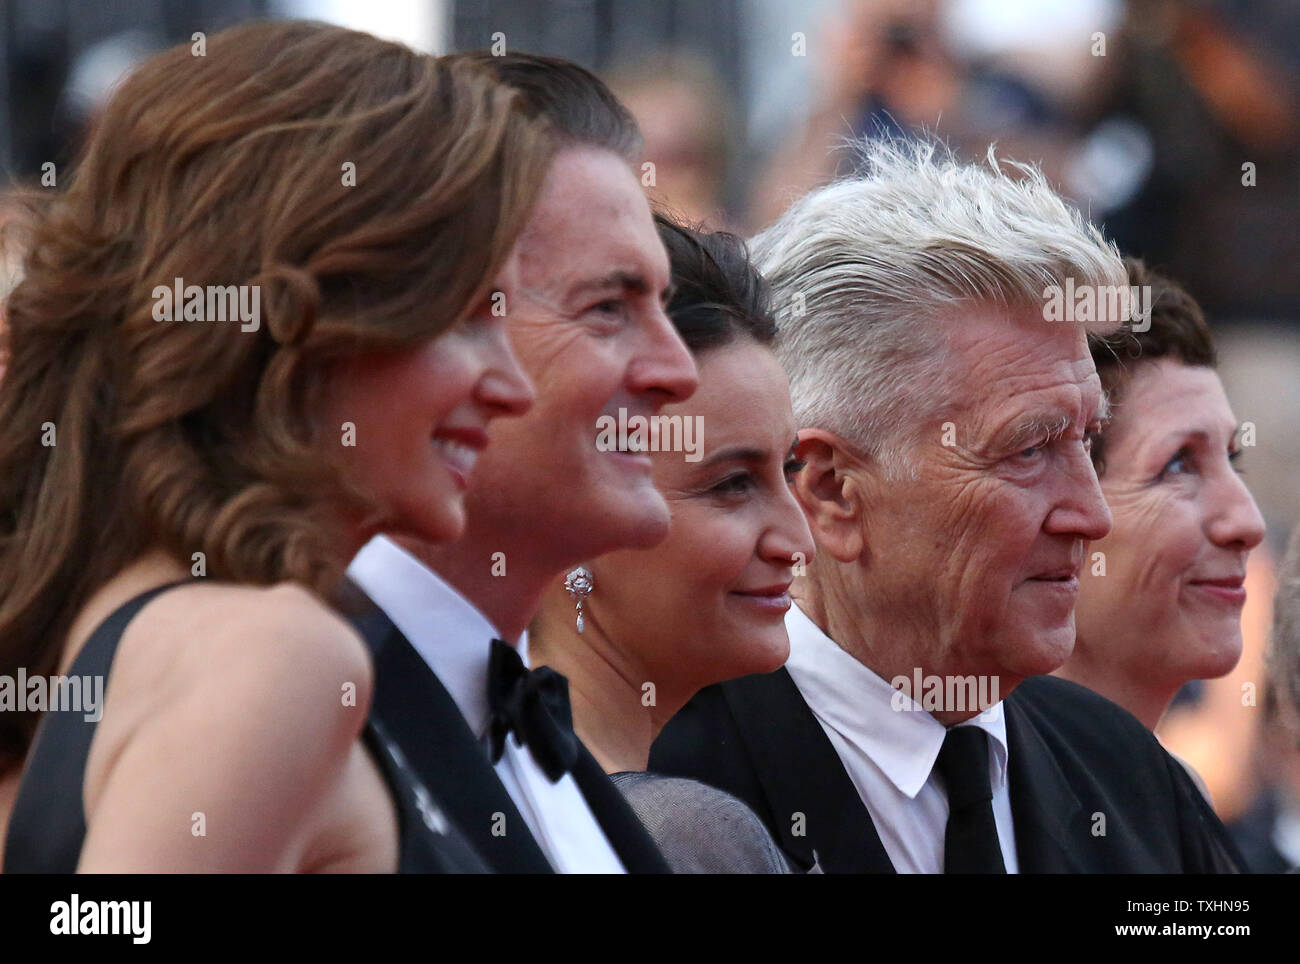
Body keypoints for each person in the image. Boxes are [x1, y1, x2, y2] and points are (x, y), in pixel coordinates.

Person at [0, 21, 547, 872]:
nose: (516, 387)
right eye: (470, 314)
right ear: (297, 323)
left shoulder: (147, 615)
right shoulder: (270, 652)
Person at [652, 138, 1243, 873]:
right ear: (831, 490)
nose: (1092, 515)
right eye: (1028, 450)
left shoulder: (1127, 777)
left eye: (1087, 444)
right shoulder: (670, 803)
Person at [344, 53, 697, 874]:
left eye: (663, 305)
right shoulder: (285, 690)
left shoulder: (539, 732)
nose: (678, 371)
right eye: (608, 307)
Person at [526, 214, 813, 872]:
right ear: (574, 514)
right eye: (732, 484)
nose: (800, 542)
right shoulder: (682, 839)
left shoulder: (469, 777)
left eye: (788, 470)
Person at [1057, 258, 1266, 745]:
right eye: (1178, 465)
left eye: (1233, 459)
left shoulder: (1175, 804)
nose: (1247, 522)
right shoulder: (969, 807)